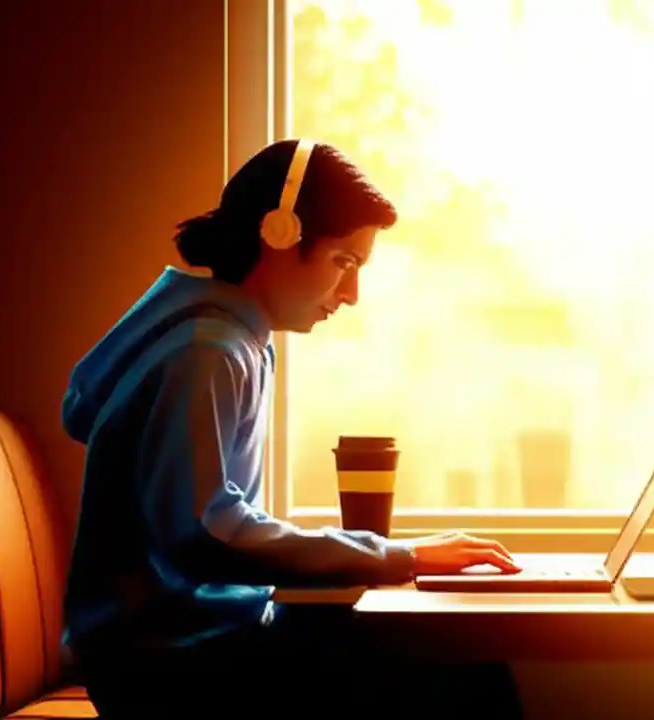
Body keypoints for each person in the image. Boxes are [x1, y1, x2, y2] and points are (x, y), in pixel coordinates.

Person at [60, 138, 524, 718]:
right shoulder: (207, 353)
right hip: (172, 666)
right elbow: (207, 532)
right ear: (280, 232)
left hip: (200, 639)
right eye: (344, 262)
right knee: (475, 687)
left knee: (451, 665)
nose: (351, 294)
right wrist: (398, 556)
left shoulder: (227, 340)